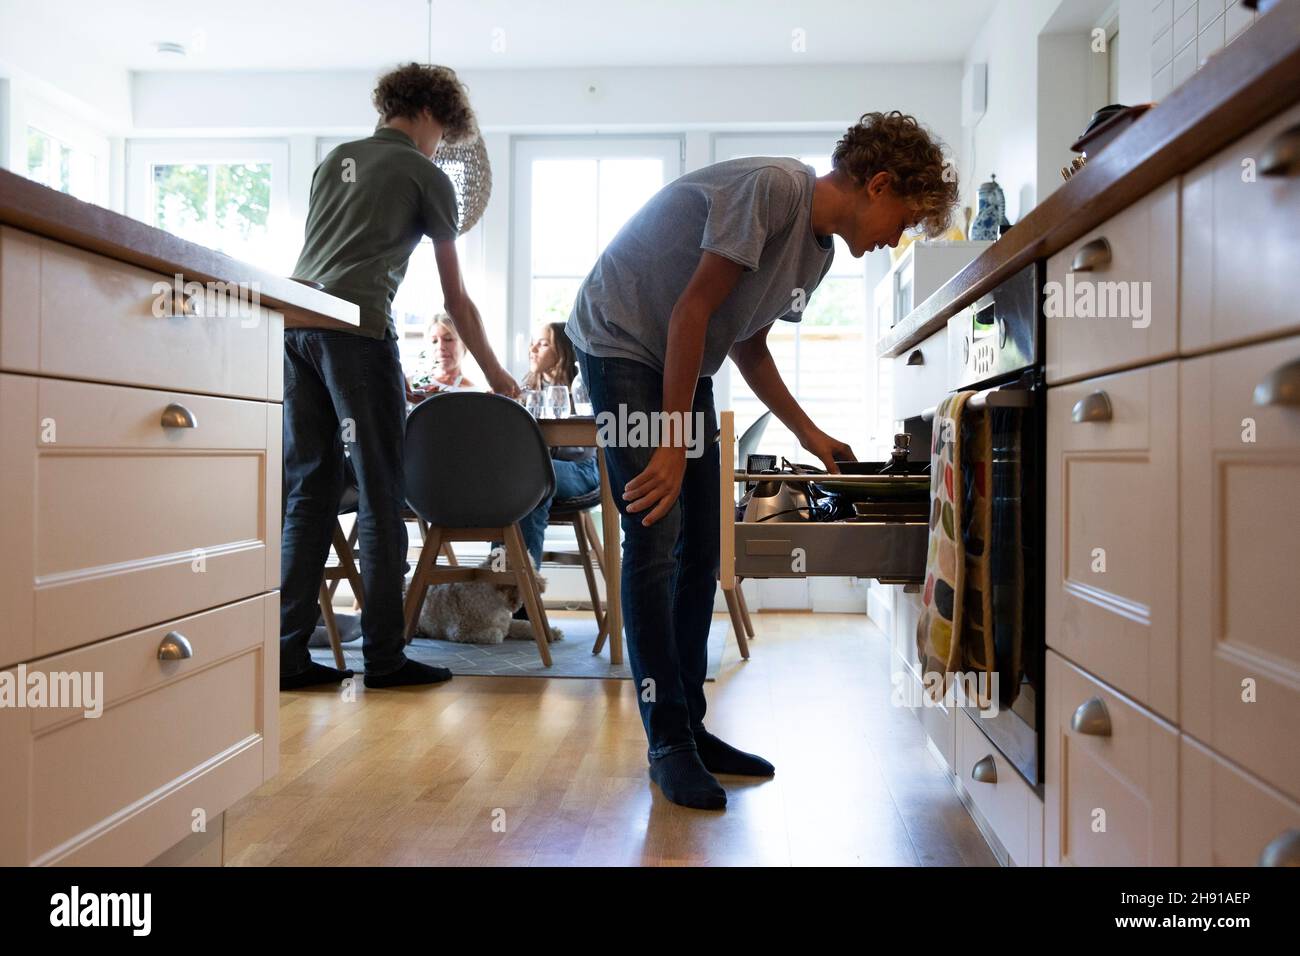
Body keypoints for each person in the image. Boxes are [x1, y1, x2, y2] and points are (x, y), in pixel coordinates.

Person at [565, 111, 958, 809]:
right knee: (655, 540)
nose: (897, 237)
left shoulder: (820, 254)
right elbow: (691, 310)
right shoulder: (775, 190)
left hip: (686, 356)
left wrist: (810, 434)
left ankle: (690, 725)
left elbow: (747, 344)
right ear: (878, 184)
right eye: (904, 218)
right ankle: (668, 744)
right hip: (624, 336)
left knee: (703, 547)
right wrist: (670, 443)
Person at [281, 62, 518, 691]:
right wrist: (496, 374)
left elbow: (326, 256)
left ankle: (285, 654)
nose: (442, 147)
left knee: (309, 493)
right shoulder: (424, 173)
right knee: (382, 494)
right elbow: (457, 299)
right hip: (357, 335)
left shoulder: (335, 161)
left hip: (295, 331)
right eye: (444, 135)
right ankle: (384, 658)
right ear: (433, 116)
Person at [515, 322, 600, 569]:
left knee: (531, 477)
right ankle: (509, 582)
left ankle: (520, 585)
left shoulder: (583, 390)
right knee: (523, 480)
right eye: (533, 342)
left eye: (542, 343)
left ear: (563, 350)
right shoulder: (527, 391)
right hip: (538, 472)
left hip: (583, 470)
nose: (532, 349)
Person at [407, 313, 476, 403]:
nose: (440, 346)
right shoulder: (411, 384)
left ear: (464, 344)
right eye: (434, 341)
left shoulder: (474, 394)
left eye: (448, 339)